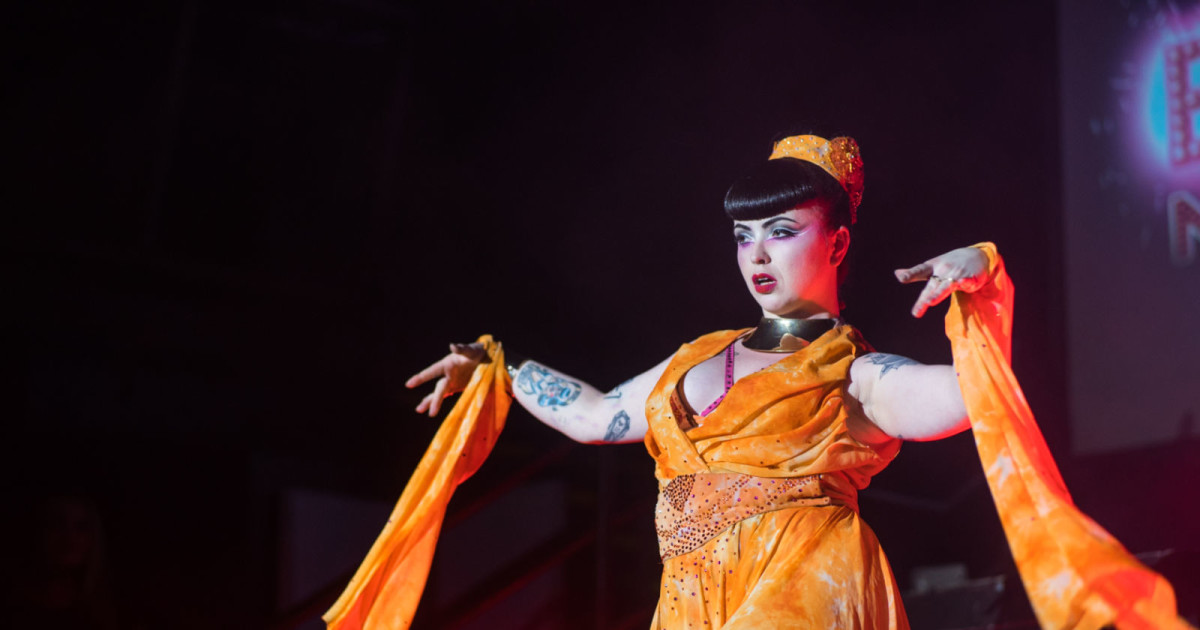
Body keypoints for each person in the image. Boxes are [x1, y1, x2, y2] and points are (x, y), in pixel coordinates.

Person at [325, 134, 1191, 630]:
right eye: (746, 238)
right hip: (693, 603)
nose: (760, 256)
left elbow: (972, 401)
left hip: (806, 589)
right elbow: (594, 417)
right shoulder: (694, 358)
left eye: (781, 231)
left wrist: (983, 288)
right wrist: (502, 370)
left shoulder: (855, 373)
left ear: (838, 241)